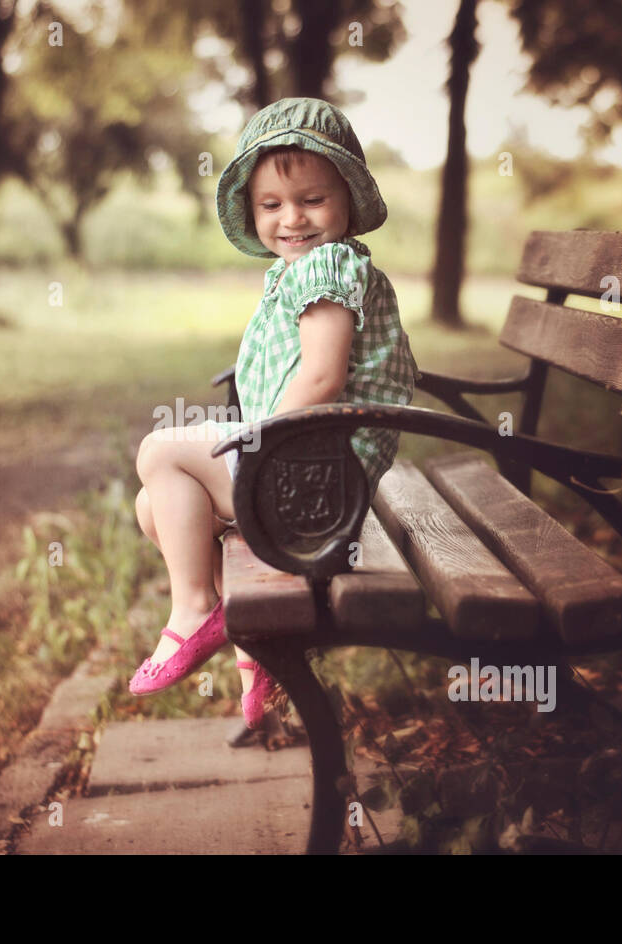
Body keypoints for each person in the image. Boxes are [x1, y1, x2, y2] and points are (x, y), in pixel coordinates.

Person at [130, 98, 418, 729]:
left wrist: (255, 447)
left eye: (312, 200)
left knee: (158, 454)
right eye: (272, 205)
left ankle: (196, 611)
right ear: (253, 210)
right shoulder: (297, 270)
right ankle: (251, 650)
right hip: (306, 462)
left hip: (317, 472)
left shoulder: (330, 266)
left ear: (346, 199)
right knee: (155, 505)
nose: (293, 218)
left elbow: (321, 375)